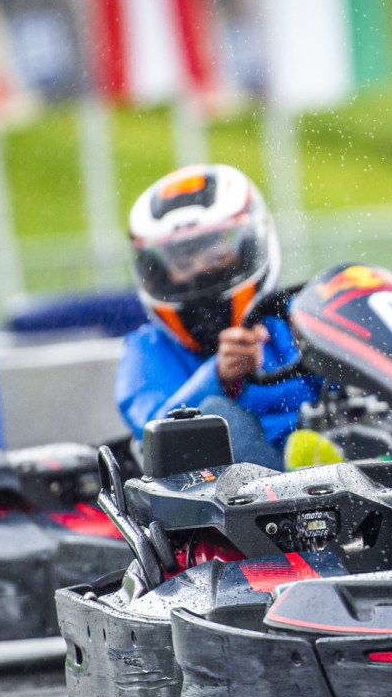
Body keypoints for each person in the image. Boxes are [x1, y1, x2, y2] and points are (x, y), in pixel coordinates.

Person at [115, 164, 320, 469]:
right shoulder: (148, 350)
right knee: (215, 413)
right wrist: (220, 377)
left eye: (214, 253)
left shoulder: (299, 317)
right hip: (231, 502)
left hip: (332, 476)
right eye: (183, 260)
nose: (200, 271)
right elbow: (155, 433)